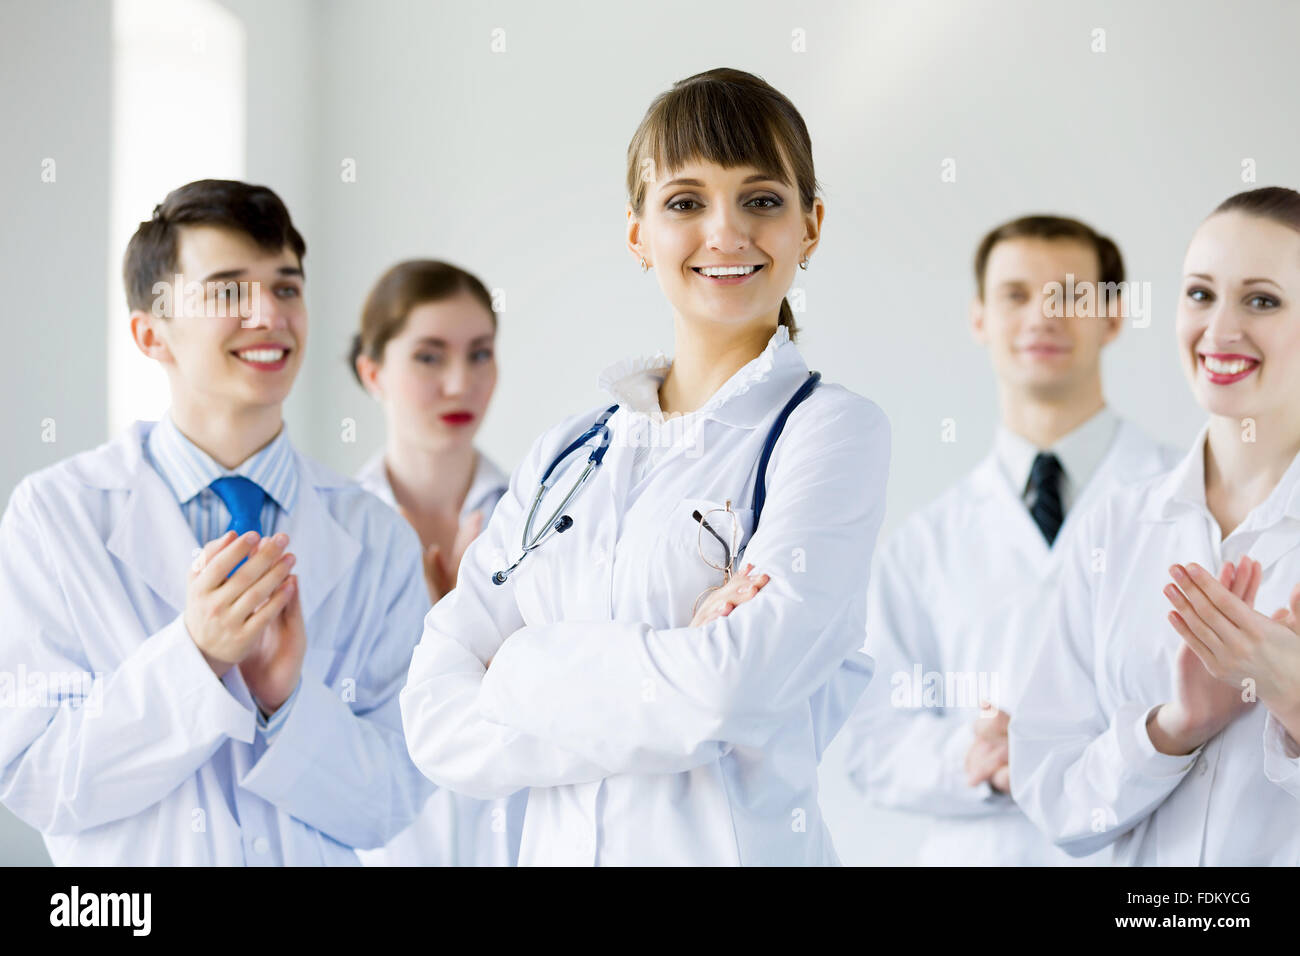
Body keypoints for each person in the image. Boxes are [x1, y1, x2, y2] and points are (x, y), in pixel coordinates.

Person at [399, 67, 890, 866]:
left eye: (762, 199)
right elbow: (432, 720)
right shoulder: (568, 450)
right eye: (686, 202)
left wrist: (521, 664)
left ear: (812, 225)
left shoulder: (830, 433)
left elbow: (732, 691)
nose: (725, 233)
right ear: (638, 235)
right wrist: (669, 670)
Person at [0, 179, 432, 865]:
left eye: (286, 287)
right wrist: (194, 659)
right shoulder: (56, 516)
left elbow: (392, 802)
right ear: (151, 333)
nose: (269, 314)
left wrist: (287, 701)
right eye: (229, 290)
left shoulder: (375, 534)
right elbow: (37, 778)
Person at [841, 214, 1178, 865]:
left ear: (1113, 317)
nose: (1042, 317)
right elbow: (872, 740)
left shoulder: (1187, 501)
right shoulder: (923, 544)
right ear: (980, 320)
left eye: (1071, 295)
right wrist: (977, 756)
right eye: (1016, 294)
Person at [1010, 186, 1300, 865]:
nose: (1220, 331)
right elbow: (1055, 799)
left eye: (1262, 300)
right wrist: (1176, 727)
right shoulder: (1114, 526)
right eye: (1200, 294)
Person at [349, 259, 526, 866]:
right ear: (372, 371)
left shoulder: (539, 524)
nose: (460, 383)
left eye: (480, 354)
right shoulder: (331, 534)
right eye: (429, 356)